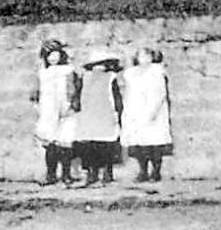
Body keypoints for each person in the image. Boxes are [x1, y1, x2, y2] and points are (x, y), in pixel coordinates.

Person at [30, 39, 80, 185]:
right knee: (50, 144)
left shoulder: (68, 70)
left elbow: (73, 89)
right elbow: (36, 94)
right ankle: (51, 174)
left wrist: (70, 105)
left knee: (65, 142)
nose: (53, 58)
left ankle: (66, 174)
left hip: (65, 108)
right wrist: (39, 107)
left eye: (55, 54)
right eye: (49, 55)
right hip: (48, 109)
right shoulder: (42, 73)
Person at [121, 47, 174, 182]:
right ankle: (142, 171)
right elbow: (129, 93)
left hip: (153, 110)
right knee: (139, 143)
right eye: (141, 56)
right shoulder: (132, 74)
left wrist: (154, 111)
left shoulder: (156, 72)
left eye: (147, 56)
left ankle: (156, 171)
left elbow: (161, 92)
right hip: (136, 110)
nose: (144, 59)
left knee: (155, 142)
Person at [73, 48, 124, 185]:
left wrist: (118, 111)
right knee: (89, 145)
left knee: (106, 144)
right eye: (96, 65)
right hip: (89, 113)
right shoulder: (85, 78)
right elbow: (78, 94)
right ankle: (92, 172)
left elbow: (116, 96)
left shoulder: (110, 78)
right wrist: (76, 107)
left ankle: (108, 171)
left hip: (105, 113)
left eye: (102, 65)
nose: (99, 68)